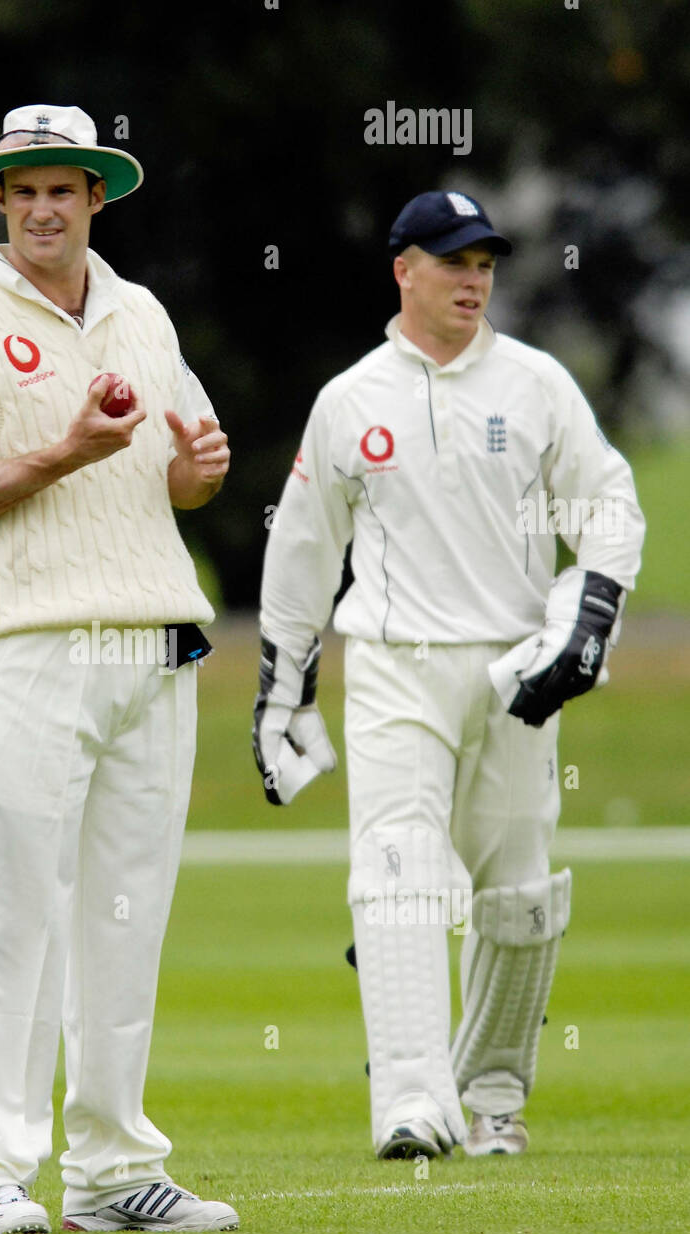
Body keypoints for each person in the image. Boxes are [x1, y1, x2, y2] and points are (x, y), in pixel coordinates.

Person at [0, 104, 238, 1233]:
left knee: (123, 916)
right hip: (30, 646)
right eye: (24, 190)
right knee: (8, 914)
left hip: (151, 641)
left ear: (99, 197)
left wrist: (201, 467)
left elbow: (182, 478)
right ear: (0, 201)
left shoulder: (142, 313)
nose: (44, 209)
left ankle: (109, 1168)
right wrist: (64, 451)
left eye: (64, 190)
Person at [254, 190, 645, 1160]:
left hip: (516, 668)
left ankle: (494, 1100)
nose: (474, 280)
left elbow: (607, 504)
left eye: (485, 264)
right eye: (454, 262)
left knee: (516, 895)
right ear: (405, 270)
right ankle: (411, 1104)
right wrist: (282, 687)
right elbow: (303, 551)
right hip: (395, 666)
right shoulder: (351, 400)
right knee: (397, 873)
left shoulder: (536, 383)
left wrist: (588, 617)